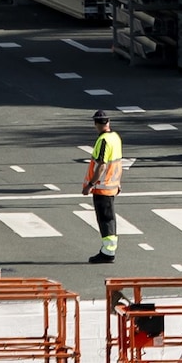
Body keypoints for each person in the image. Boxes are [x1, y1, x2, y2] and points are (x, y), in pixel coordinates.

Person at [83, 109, 123, 263]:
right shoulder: (115, 137)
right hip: (112, 184)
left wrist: (90, 184)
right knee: (109, 219)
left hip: (103, 186)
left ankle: (107, 252)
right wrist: (118, 182)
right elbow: (118, 163)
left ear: (95, 124)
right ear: (108, 122)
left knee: (105, 220)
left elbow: (102, 165)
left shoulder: (104, 140)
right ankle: (108, 250)